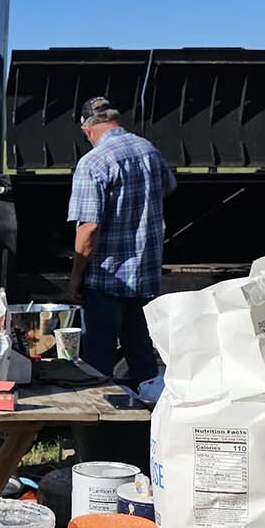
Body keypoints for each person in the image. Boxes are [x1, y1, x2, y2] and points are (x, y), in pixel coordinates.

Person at [66, 95, 176, 385]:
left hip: (107, 281)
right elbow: (167, 188)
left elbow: (89, 228)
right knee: (141, 355)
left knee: (96, 364)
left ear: (86, 128)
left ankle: (97, 427)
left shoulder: (93, 162)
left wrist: (76, 277)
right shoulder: (149, 150)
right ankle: (148, 421)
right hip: (145, 278)